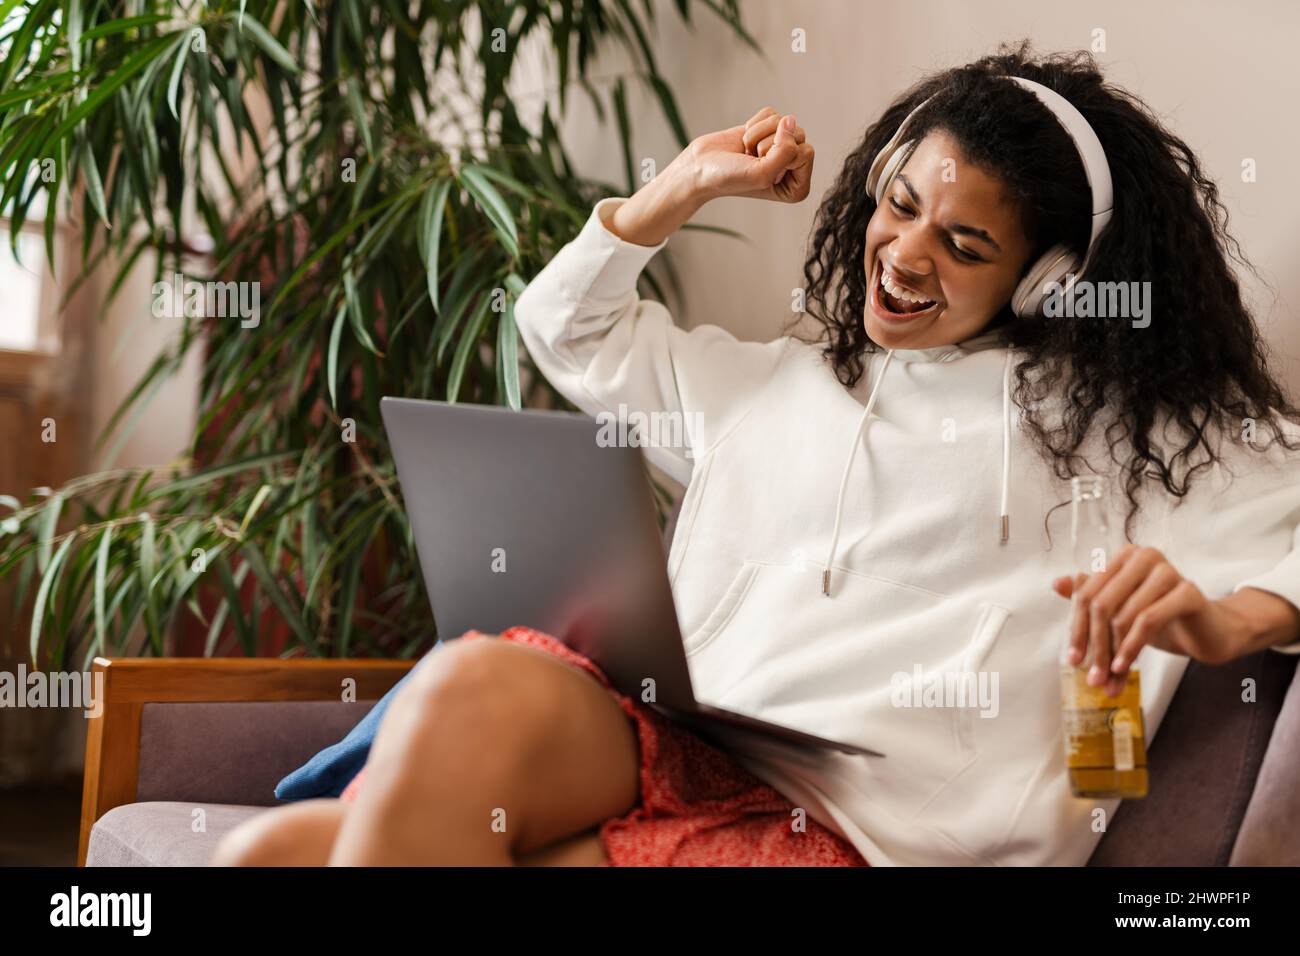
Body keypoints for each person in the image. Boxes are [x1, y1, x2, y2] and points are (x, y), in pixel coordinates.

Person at [213, 42, 1300, 867]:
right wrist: (680, 187)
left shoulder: (1134, 442)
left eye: (963, 246)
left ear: (1047, 278)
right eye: (900, 203)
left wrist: (1225, 620)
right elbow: (564, 329)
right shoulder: (778, 383)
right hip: (680, 753)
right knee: (309, 814)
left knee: (297, 845)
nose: (905, 254)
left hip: (859, 838)